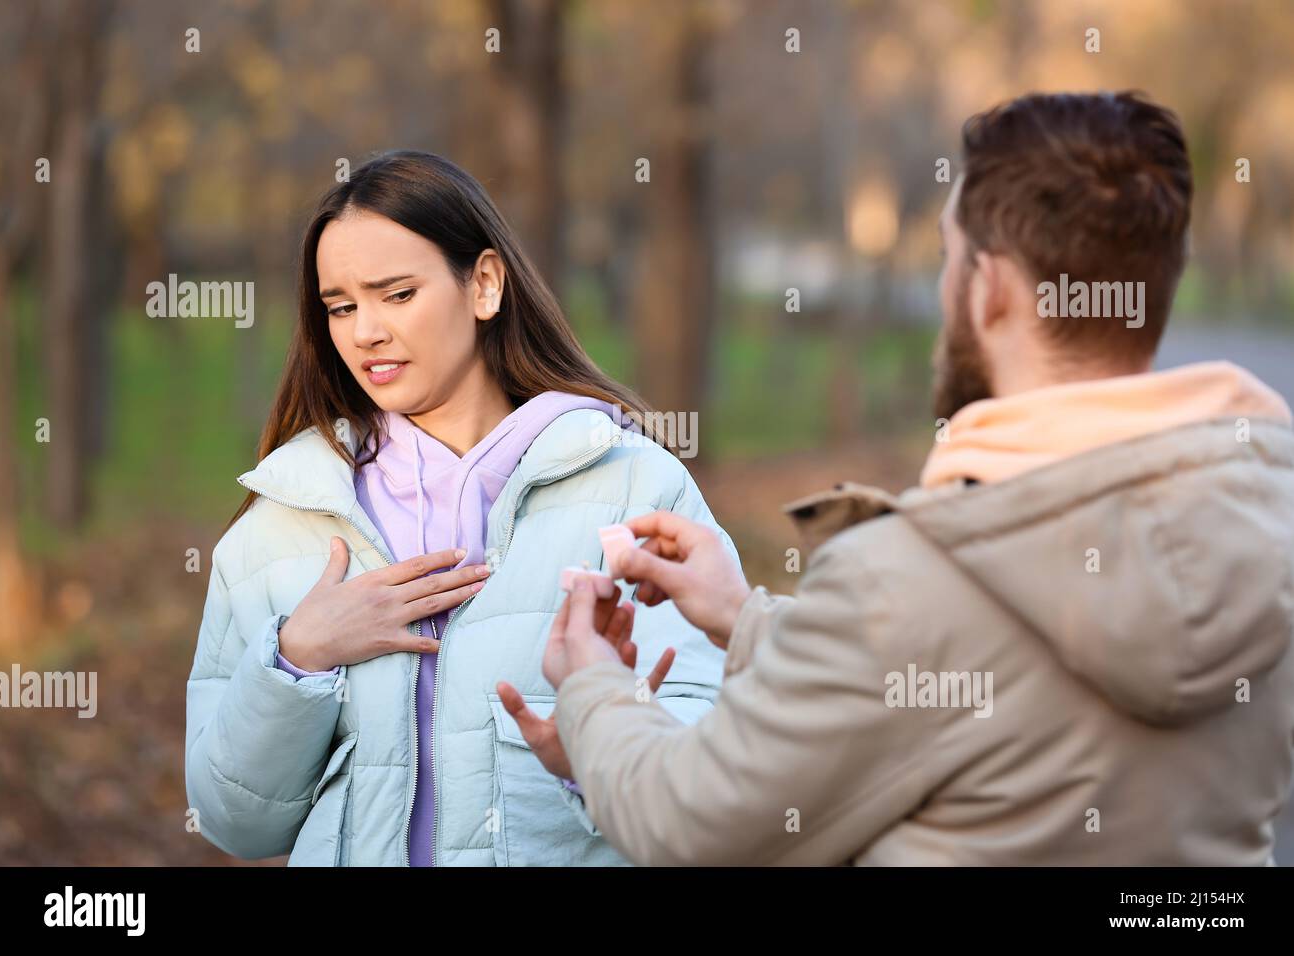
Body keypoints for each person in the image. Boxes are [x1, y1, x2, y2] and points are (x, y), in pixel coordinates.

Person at [505, 91, 1294, 864]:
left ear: (990, 291)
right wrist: (742, 617)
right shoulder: (1261, 531)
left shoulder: (905, 587)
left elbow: (688, 825)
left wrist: (595, 691)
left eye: (951, 261)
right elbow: (978, 678)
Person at [185, 151, 736, 866]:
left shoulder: (636, 491)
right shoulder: (279, 527)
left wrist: (591, 751)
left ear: (482, 285)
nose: (365, 332)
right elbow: (234, 822)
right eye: (341, 307)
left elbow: (715, 784)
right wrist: (297, 661)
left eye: (397, 295)